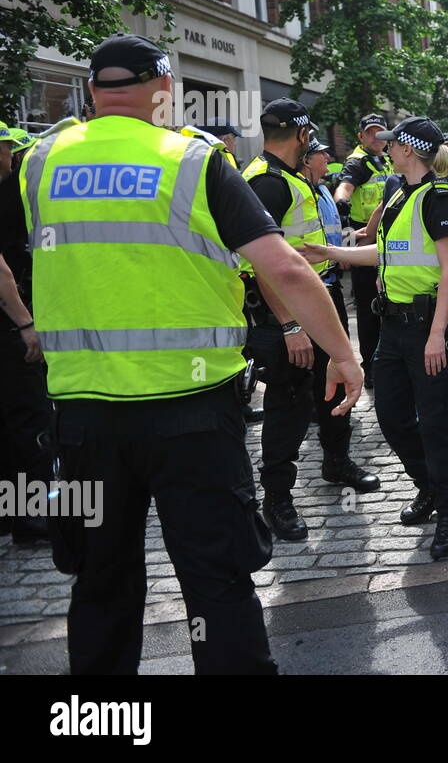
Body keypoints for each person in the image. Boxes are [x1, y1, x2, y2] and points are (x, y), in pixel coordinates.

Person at [21, 33, 363, 674]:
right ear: (164, 89)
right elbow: (283, 268)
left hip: (84, 416)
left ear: (93, 91)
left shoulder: (41, 161)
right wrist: (343, 354)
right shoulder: (192, 160)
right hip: (193, 414)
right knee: (216, 581)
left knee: (99, 582)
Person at [304, 117, 448, 559]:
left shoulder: (439, 196)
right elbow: (387, 250)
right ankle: (429, 487)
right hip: (394, 328)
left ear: (409, 150)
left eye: (391, 143)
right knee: (392, 417)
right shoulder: (400, 191)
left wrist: (437, 335)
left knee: (437, 424)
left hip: (427, 327)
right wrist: (333, 252)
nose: (385, 148)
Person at [240, 98, 379, 540]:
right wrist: (290, 325)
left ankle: (337, 463)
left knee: (334, 380)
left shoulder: (286, 178)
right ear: (301, 136)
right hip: (287, 312)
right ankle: (277, 499)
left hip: (321, 294)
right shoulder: (266, 183)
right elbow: (261, 264)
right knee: (289, 403)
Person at [0, 122, 49, 545]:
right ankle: (31, 517)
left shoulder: (10, 191)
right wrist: (26, 324)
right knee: (27, 418)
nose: (11, 157)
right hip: (8, 327)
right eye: (6, 150)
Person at [333, 113, 394, 387]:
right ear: (361, 136)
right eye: (370, 132)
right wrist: (342, 201)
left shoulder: (387, 159)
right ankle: (369, 366)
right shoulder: (358, 162)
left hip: (387, 239)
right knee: (369, 307)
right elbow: (344, 188)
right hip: (363, 242)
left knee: (388, 302)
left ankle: (387, 360)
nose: (375, 137)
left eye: (380, 132)